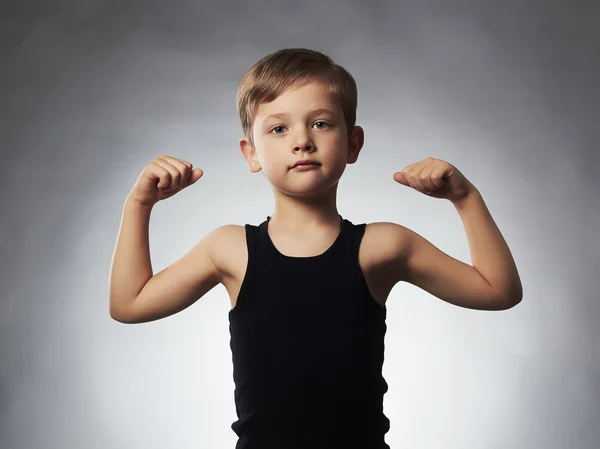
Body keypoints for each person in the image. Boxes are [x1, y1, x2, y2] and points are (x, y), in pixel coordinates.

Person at [108, 48, 523, 449]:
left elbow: (498, 291)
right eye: (278, 128)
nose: (302, 141)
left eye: (321, 124)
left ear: (353, 144)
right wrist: (139, 205)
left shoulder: (382, 245)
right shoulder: (230, 248)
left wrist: (465, 199)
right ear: (250, 153)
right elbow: (129, 304)